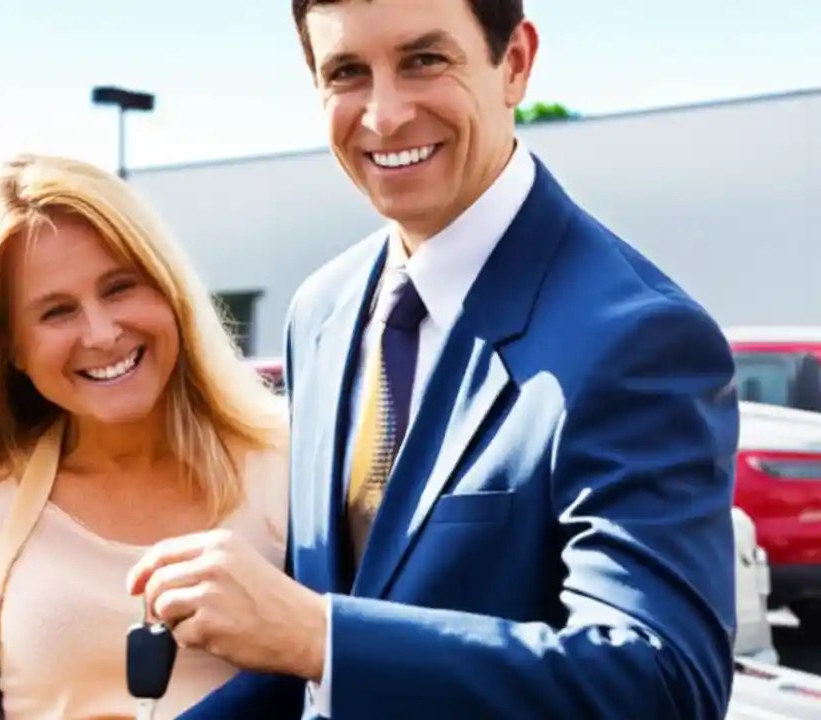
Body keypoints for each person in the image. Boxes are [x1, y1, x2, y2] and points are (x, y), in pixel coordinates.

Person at [127, 1, 740, 718]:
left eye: (424, 60)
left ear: (513, 63)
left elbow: (662, 684)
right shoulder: (320, 312)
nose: (384, 116)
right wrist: (309, 637)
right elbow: (303, 659)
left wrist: (320, 634)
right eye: (348, 72)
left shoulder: (641, 338)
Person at [0, 153, 289, 719]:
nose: (102, 334)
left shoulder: (295, 464)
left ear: (168, 288)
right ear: (9, 347)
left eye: (120, 287)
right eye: (57, 312)